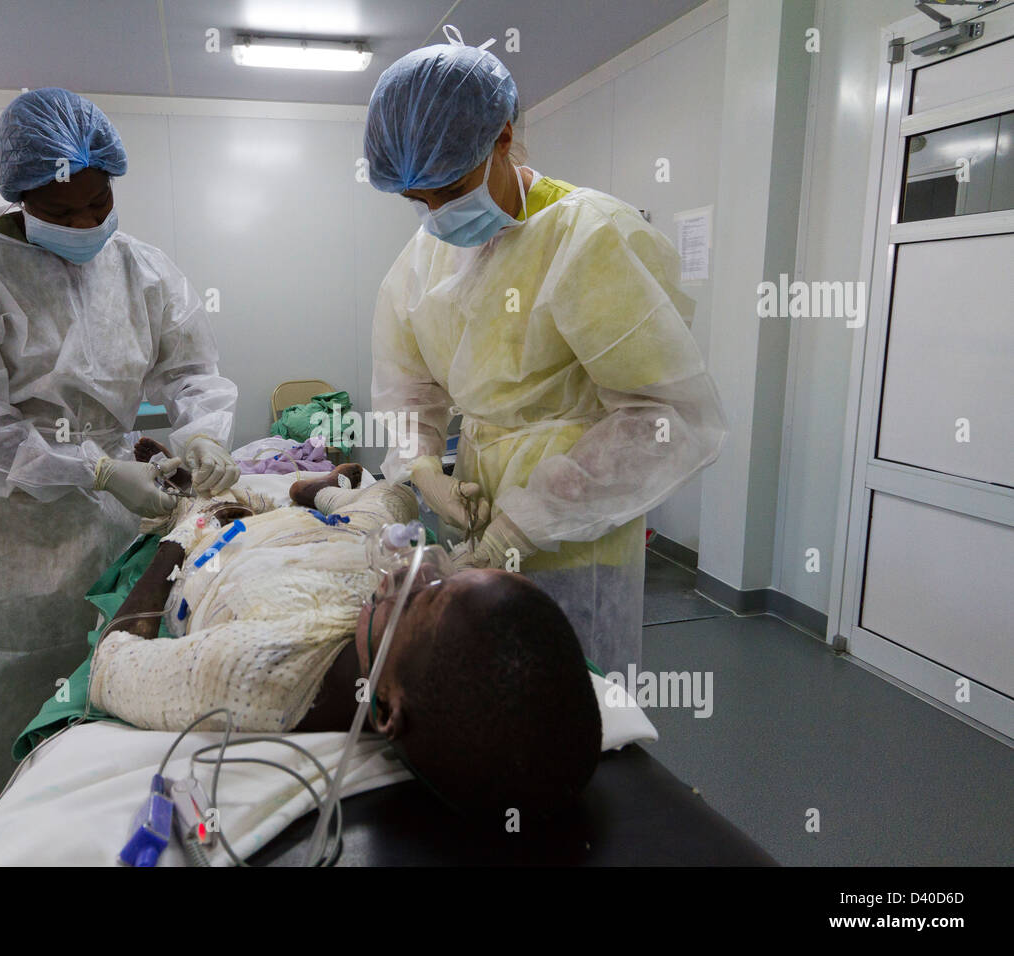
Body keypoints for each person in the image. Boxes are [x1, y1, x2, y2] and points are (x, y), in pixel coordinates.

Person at [0, 88, 239, 824]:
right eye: (61, 211)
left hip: (100, 534)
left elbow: (192, 371)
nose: (85, 223)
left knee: (98, 711)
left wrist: (201, 433)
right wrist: (100, 471)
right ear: (18, 196)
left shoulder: (139, 269)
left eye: (97, 203)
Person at [363, 28, 728, 673]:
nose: (437, 214)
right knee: (484, 700)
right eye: (417, 201)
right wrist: (423, 468)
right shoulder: (422, 259)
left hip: (578, 535)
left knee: (576, 705)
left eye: (450, 189)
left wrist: (520, 528)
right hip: (475, 517)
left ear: (503, 136)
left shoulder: (591, 237)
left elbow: (666, 418)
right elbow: (408, 387)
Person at [88, 446, 602, 819]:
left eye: (423, 596)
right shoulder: (395, 607)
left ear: (387, 710)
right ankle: (313, 488)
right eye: (451, 574)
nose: (414, 567)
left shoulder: (255, 670)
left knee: (199, 497)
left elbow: (112, 660)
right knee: (395, 499)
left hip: (223, 540)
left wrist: (176, 541)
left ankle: (186, 492)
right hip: (342, 534)